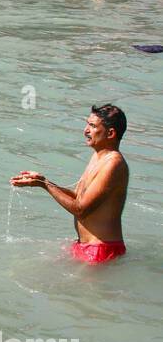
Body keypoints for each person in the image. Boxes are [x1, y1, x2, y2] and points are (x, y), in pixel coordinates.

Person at [11, 105, 128, 265]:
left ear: (110, 133)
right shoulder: (98, 156)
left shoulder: (114, 164)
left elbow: (81, 210)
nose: (85, 130)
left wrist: (45, 185)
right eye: (87, 124)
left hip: (102, 251)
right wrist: (41, 181)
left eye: (92, 126)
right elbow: (78, 198)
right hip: (85, 246)